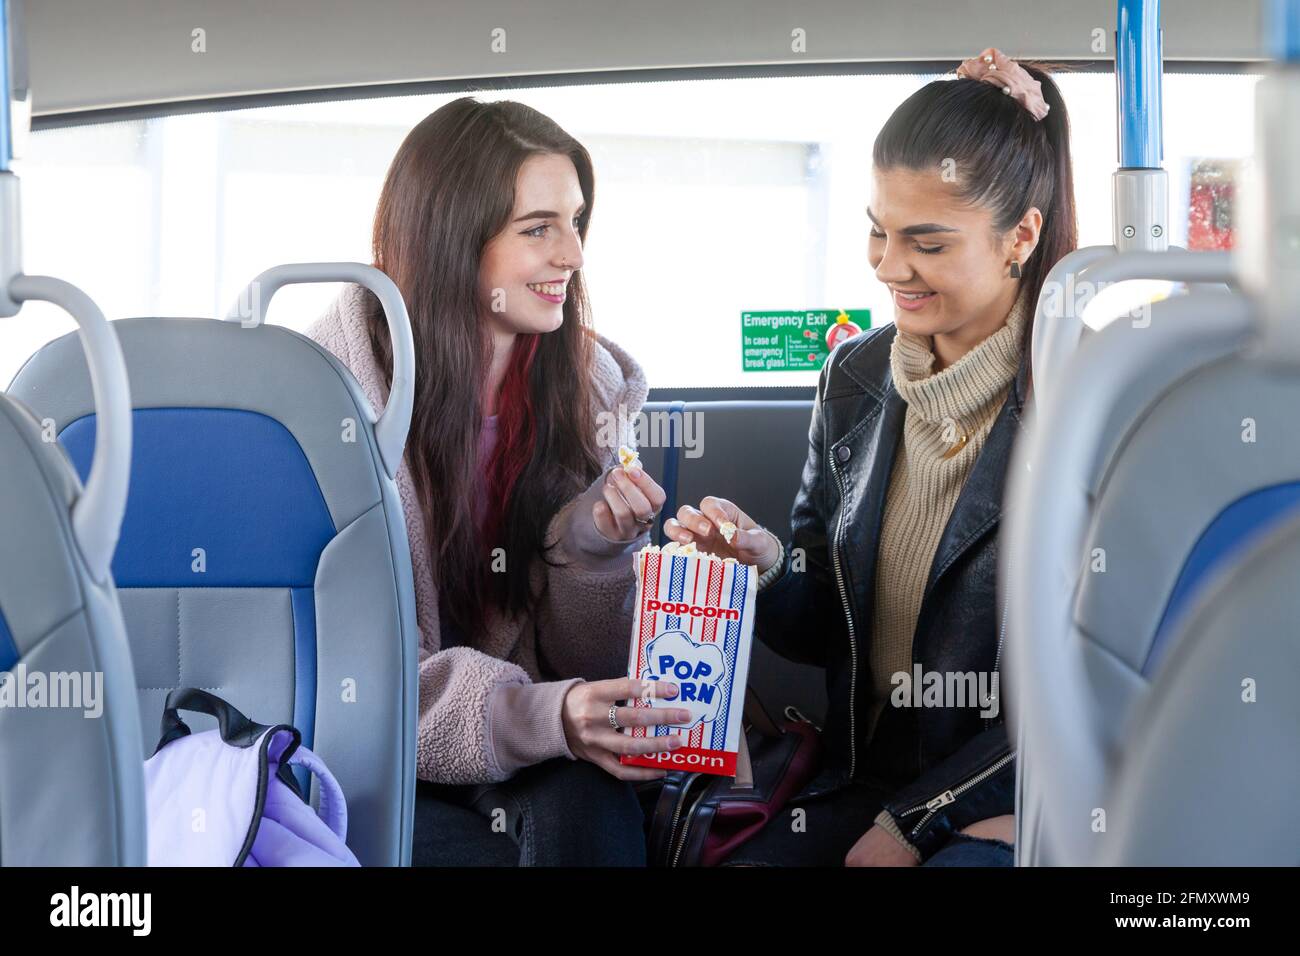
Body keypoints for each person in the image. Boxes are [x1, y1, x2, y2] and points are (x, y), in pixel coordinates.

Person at [664, 49, 1077, 866]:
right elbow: (828, 630)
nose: (889, 268)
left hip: (1018, 786)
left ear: (1019, 237)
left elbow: (1085, 696)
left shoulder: (1088, 400)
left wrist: (916, 824)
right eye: (878, 232)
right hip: (869, 771)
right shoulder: (853, 377)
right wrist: (765, 567)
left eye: (925, 242)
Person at [309, 97, 691, 865]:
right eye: (539, 228)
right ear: (453, 239)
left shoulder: (590, 392)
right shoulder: (325, 397)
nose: (573, 254)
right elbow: (338, 686)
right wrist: (536, 715)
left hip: (537, 746)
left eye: (577, 222)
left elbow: (594, 673)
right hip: (369, 751)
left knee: (597, 819)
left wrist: (588, 555)